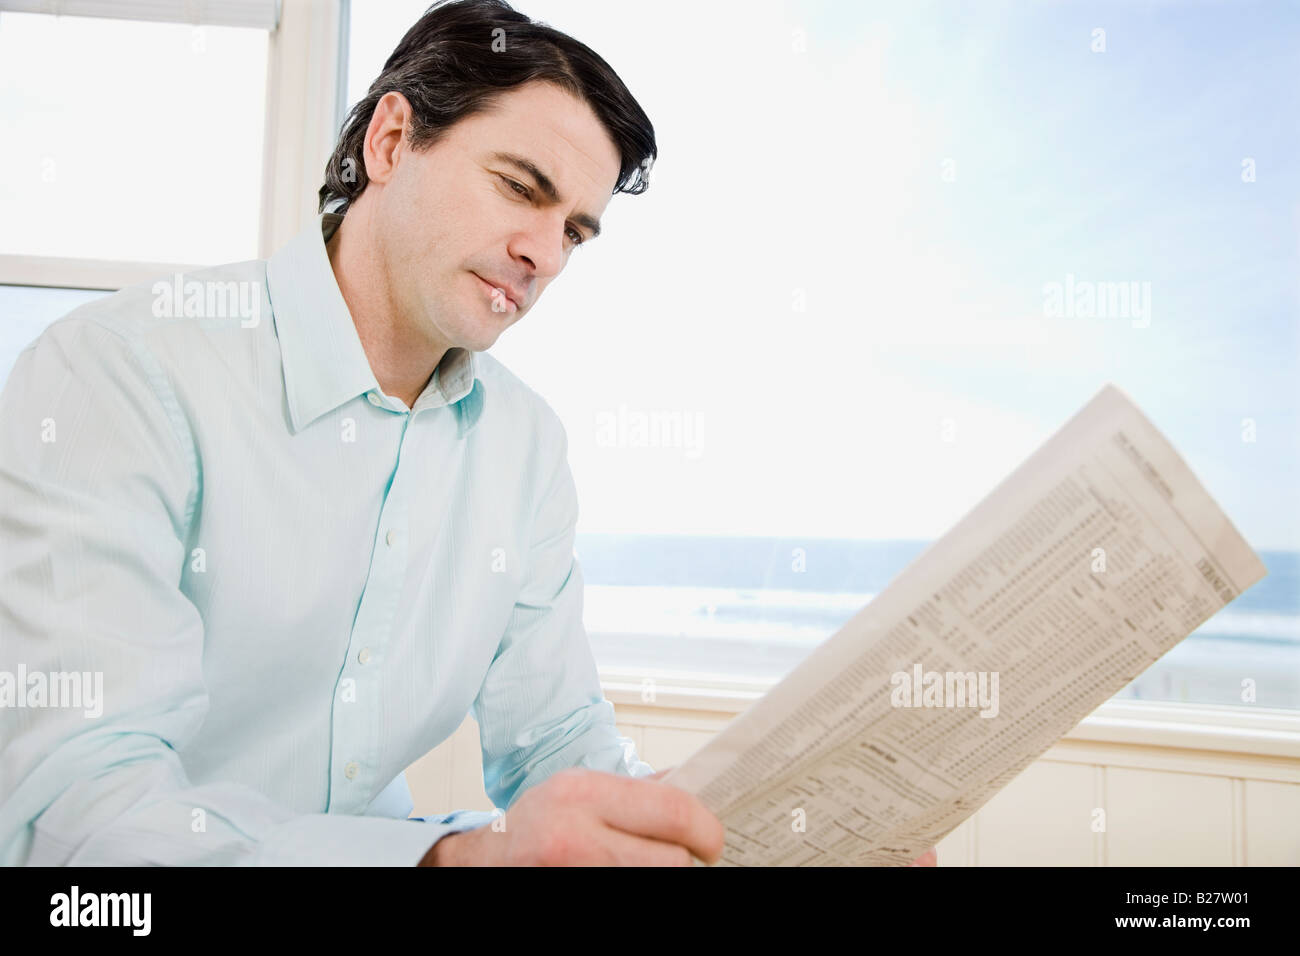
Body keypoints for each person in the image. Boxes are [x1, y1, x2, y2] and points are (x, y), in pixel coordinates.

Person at [0, 0, 933, 867]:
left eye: (575, 230)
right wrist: (444, 858)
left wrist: (739, 836)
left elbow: (559, 739)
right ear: (393, 140)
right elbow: (82, 811)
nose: (545, 254)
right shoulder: (116, 375)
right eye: (519, 188)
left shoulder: (525, 449)